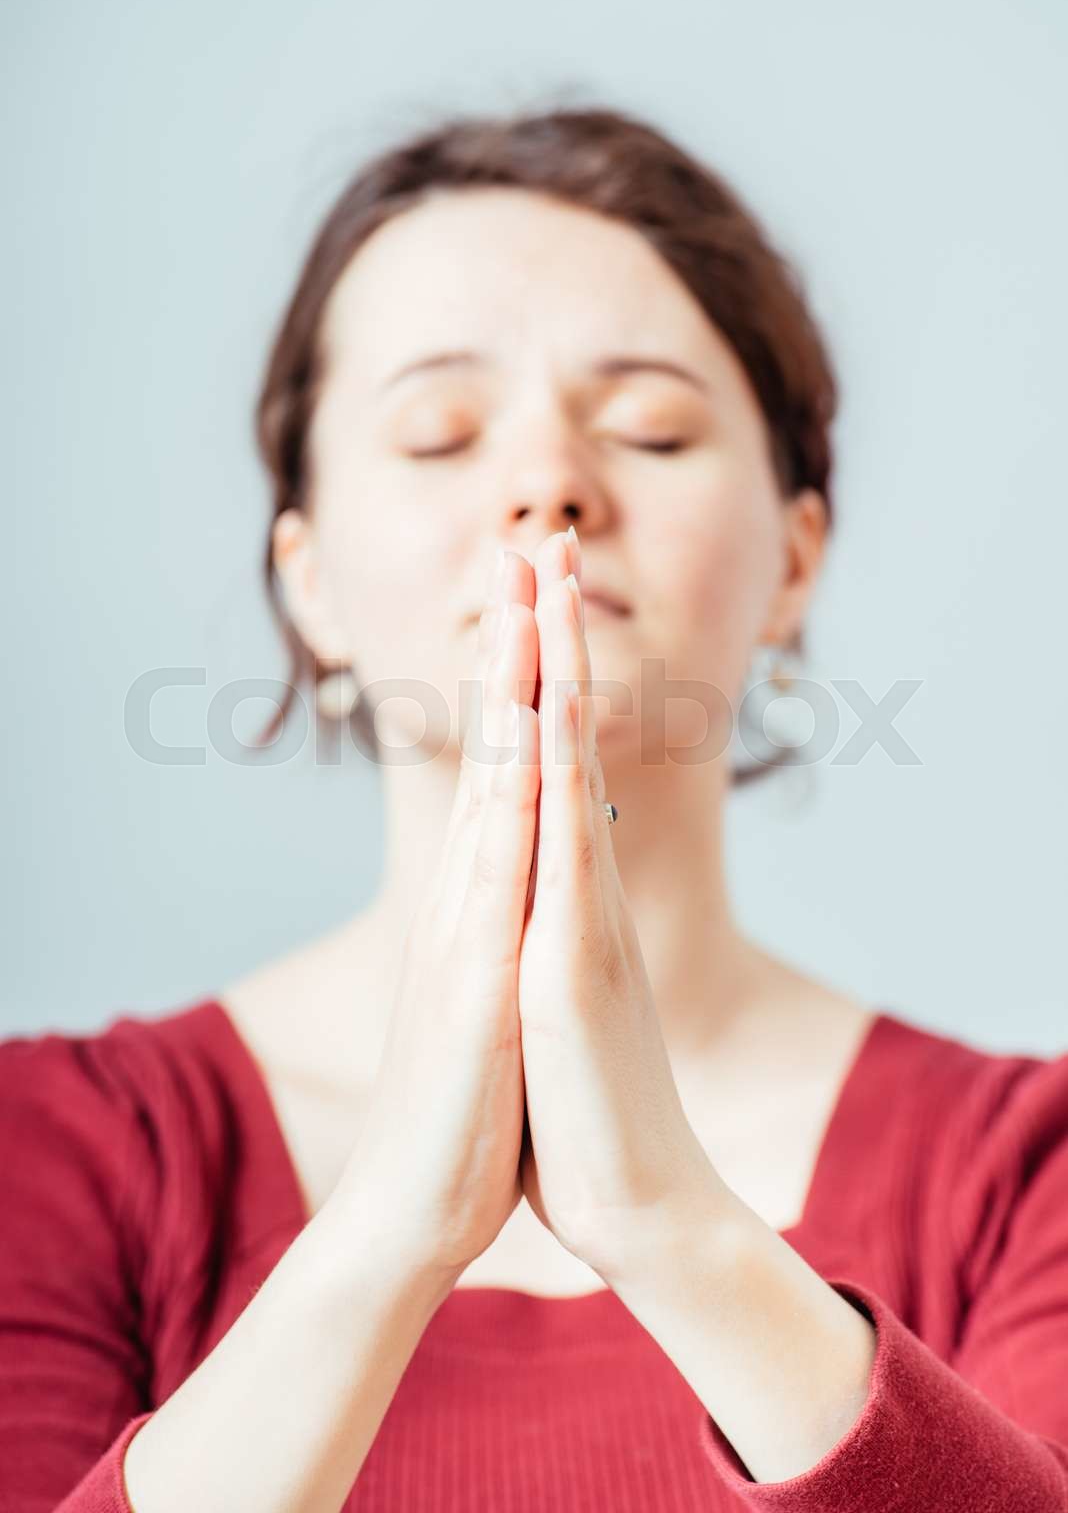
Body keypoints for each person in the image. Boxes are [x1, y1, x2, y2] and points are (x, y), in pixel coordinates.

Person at [2, 103, 1067, 1513]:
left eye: (651, 430)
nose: (546, 485)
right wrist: (387, 1238)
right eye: (440, 436)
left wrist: (669, 1227)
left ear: (797, 556)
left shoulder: (1019, 1171)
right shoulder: (60, 1153)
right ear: (306, 576)